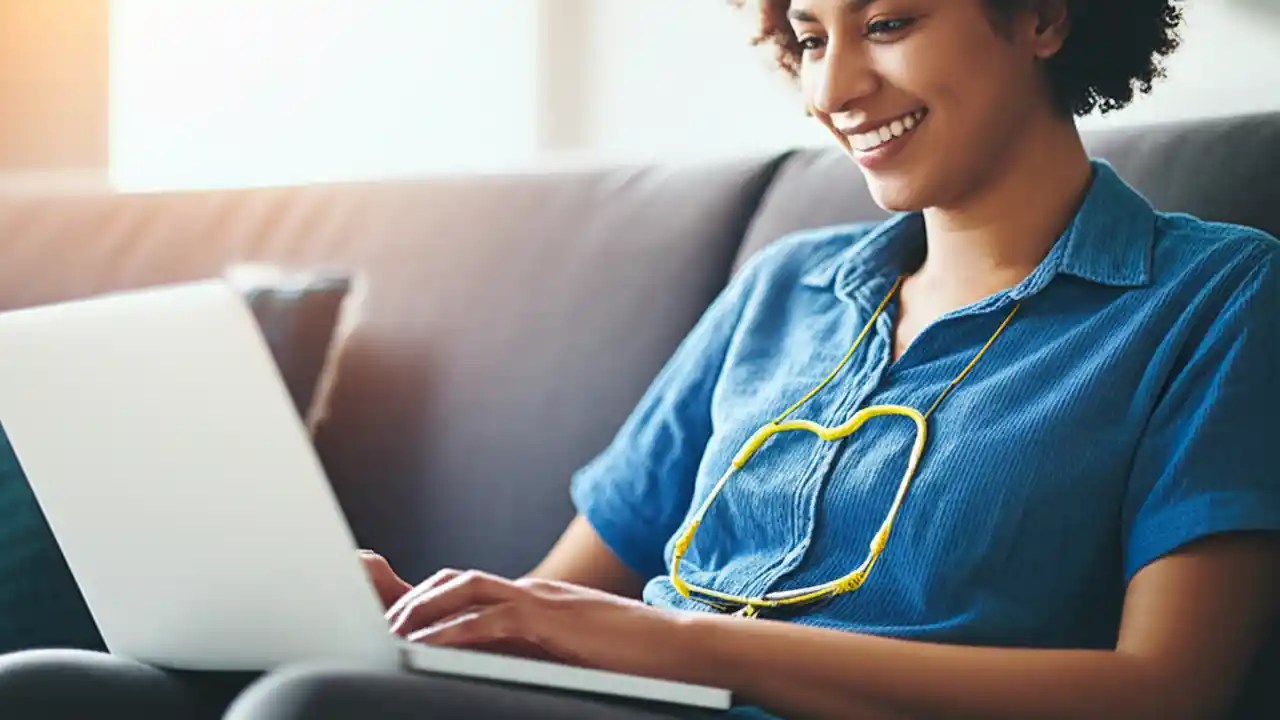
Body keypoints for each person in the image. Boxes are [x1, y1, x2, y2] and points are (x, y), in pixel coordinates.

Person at [2, 1, 1277, 718]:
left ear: (1043, 13)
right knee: (57, 689)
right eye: (802, 34)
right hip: (640, 711)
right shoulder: (783, 291)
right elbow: (567, 595)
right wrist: (416, 619)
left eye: (883, 22)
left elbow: (1169, 693)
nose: (833, 84)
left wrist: (690, 647)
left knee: (305, 716)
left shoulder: (1214, 295)